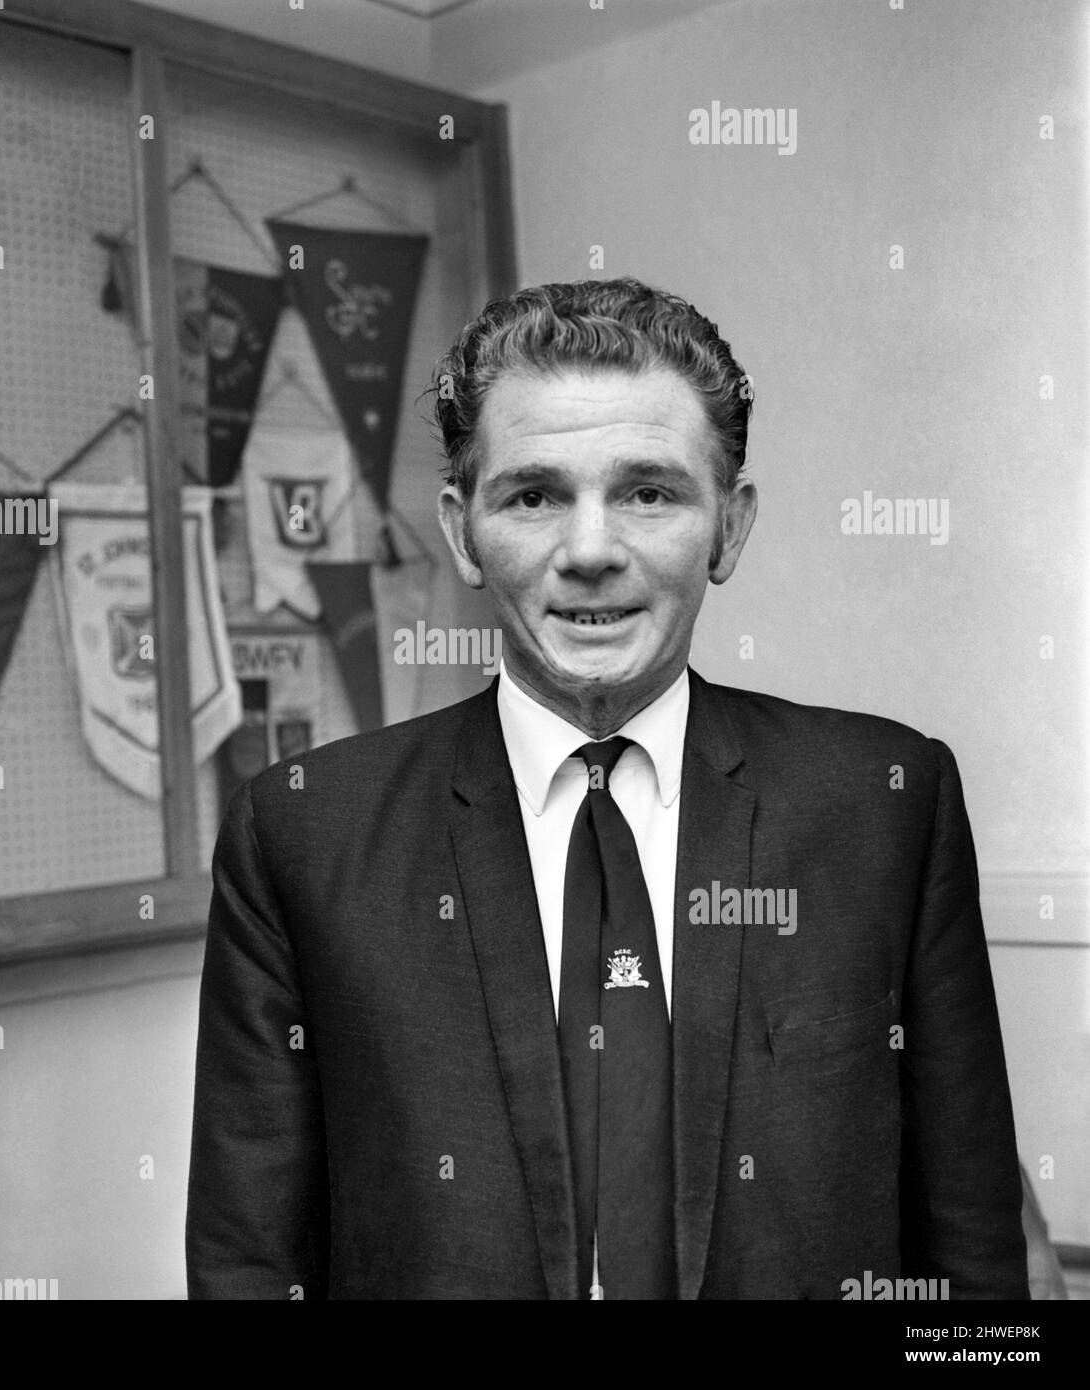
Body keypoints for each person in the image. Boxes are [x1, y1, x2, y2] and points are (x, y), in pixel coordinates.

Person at [185, 277, 1029, 1300]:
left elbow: (974, 1251)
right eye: (534, 494)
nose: (591, 550)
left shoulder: (888, 803)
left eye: (650, 491)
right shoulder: (303, 832)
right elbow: (248, 1263)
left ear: (730, 525)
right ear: (461, 531)